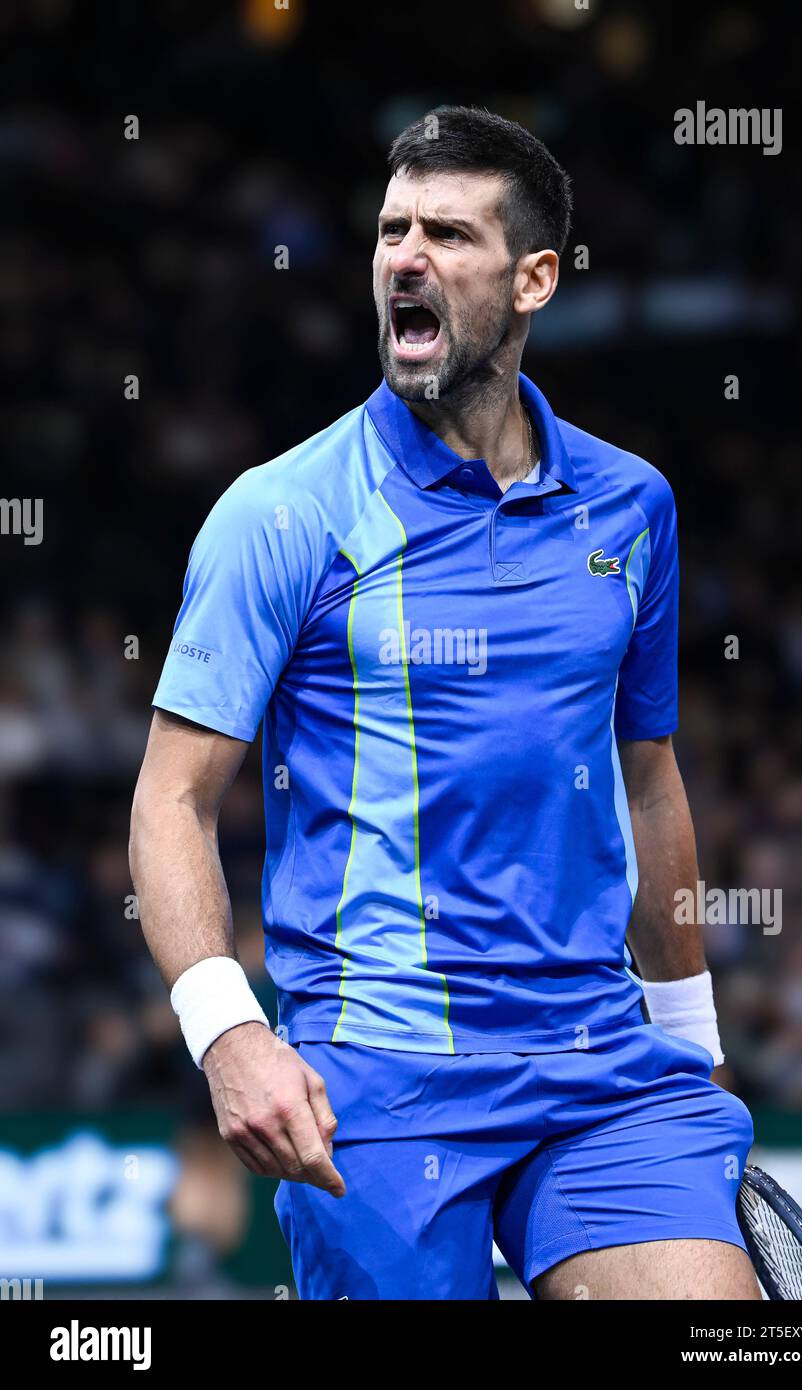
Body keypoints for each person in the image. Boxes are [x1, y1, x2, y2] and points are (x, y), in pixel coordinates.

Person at [130, 106, 761, 1301]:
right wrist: (230, 1032)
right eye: (390, 231)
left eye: (447, 235)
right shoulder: (281, 515)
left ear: (533, 279)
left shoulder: (631, 508)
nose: (403, 258)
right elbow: (170, 797)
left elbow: (647, 774)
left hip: (597, 1067)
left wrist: (688, 1042)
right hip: (373, 1078)